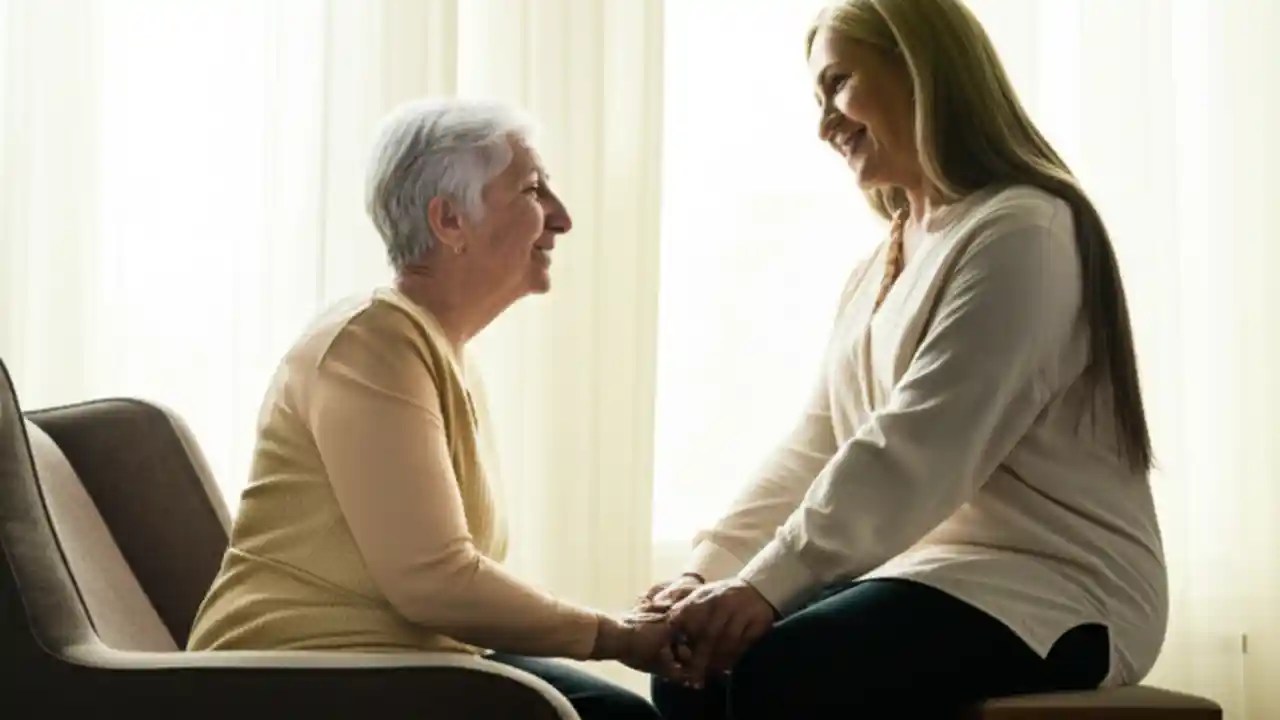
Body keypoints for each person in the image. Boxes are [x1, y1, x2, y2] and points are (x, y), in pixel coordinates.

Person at [642, 0, 1168, 717]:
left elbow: (920, 448)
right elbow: (818, 440)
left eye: (839, 83)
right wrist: (707, 570)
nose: (825, 121)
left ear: (924, 71)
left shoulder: (1025, 231)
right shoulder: (881, 262)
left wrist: (765, 585)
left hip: (1049, 588)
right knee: (686, 667)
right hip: (926, 575)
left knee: (783, 671)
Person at [186, 98, 669, 720]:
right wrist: (618, 635)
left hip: (401, 666)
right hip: (295, 679)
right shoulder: (370, 342)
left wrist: (618, 634)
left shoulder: (431, 346)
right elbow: (434, 582)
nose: (562, 218)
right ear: (449, 221)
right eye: (532, 190)